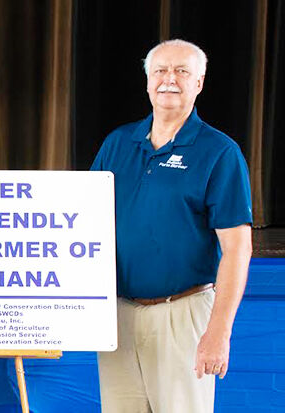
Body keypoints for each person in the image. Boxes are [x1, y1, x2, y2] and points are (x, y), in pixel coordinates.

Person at [91, 39, 253, 412]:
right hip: (118, 316)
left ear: (199, 82)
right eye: (160, 70)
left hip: (183, 315)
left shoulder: (219, 152)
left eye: (182, 71)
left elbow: (237, 249)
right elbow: (83, 224)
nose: (169, 79)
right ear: (148, 81)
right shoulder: (117, 144)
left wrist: (218, 332)